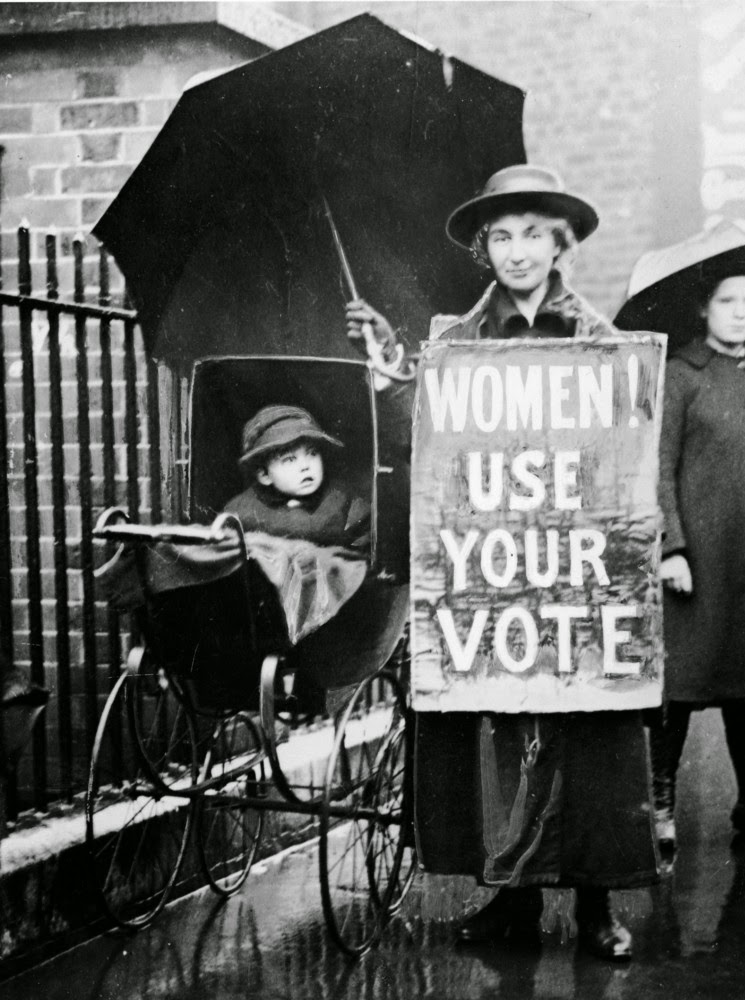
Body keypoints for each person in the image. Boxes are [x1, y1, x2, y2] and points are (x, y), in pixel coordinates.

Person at [346, 164, 658, 962]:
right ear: (485, 250)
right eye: (503, 236)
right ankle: (512, 903)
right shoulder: (454, 345)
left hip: (576, 572)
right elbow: (427, 448)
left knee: (587, 735)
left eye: (534, 235)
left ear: (561, 247)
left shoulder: (603, 345)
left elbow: (623, 459)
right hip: (494, 572)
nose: (519, 251)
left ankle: (596, 908)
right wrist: (390, 383)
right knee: (503, 734)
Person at [649, 267, 745, 859]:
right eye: (728, 301)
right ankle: (659, 809)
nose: (741, 312)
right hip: (698, 565)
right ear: (704, 310)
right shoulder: (681, 376)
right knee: (678, 692)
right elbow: (658, 469)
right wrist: (671, 550)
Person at [223, 404, 370, 550]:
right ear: (264, 475)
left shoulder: (343, 498)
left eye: (312, 453)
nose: (305, 466)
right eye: (289, 459)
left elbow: (366, 541)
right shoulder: (241, 511)